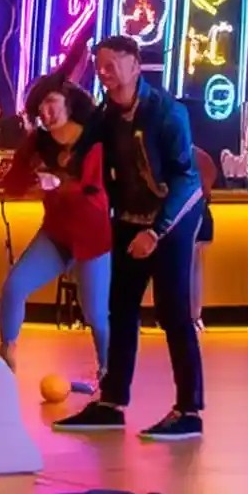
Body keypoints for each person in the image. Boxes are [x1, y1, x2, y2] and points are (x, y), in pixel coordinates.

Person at [52, 35, 204, 441]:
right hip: (131, 218)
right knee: (119, 308)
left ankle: (190, 410)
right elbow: (77, 144)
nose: (104, 73)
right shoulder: (107, 113)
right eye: (99, 66)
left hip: (172, 219)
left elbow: (187, 182)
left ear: (135, 65)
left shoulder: (167, 112)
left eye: (111, 64)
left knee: (173, 313)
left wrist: (156, 232)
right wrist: (65, 156)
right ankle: (111, 402)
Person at [0, 67, 110, 378]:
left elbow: (93, 189)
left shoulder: (94, 138)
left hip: (93, 239)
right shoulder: (39, 143)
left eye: (51, 103)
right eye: (39, 110)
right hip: (57, 236)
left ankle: (108, 372)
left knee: (96, 316)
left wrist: (58, 184)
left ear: (67, 99)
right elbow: (12, 186)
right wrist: (26, 166)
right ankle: (5, 356)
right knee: (14, 287)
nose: (46, 114)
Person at [191, 145, 219, 331]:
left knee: (189, 267)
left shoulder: (191, 154)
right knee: (193, 268)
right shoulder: (199, 155)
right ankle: (194, 317)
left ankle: (190, 317)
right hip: (198, 214)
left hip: (190, 215)